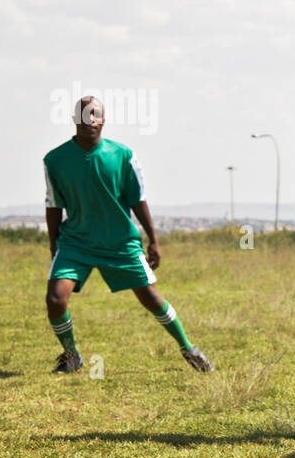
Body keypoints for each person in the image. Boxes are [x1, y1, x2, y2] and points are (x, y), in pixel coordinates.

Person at [44, 96, 214, 374]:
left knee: (151, 298)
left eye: (95, 114)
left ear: (103, 119)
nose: (90, 120)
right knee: (55, 299)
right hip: (76, 242)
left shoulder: (123, 155)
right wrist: (54, 245)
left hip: (120, 242)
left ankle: (189, 349)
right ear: (75, 120)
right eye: (84, 115)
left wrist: (153, 239)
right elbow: (53, 205)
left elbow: (139, 200)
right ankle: (72, 356)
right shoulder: (54, 160)